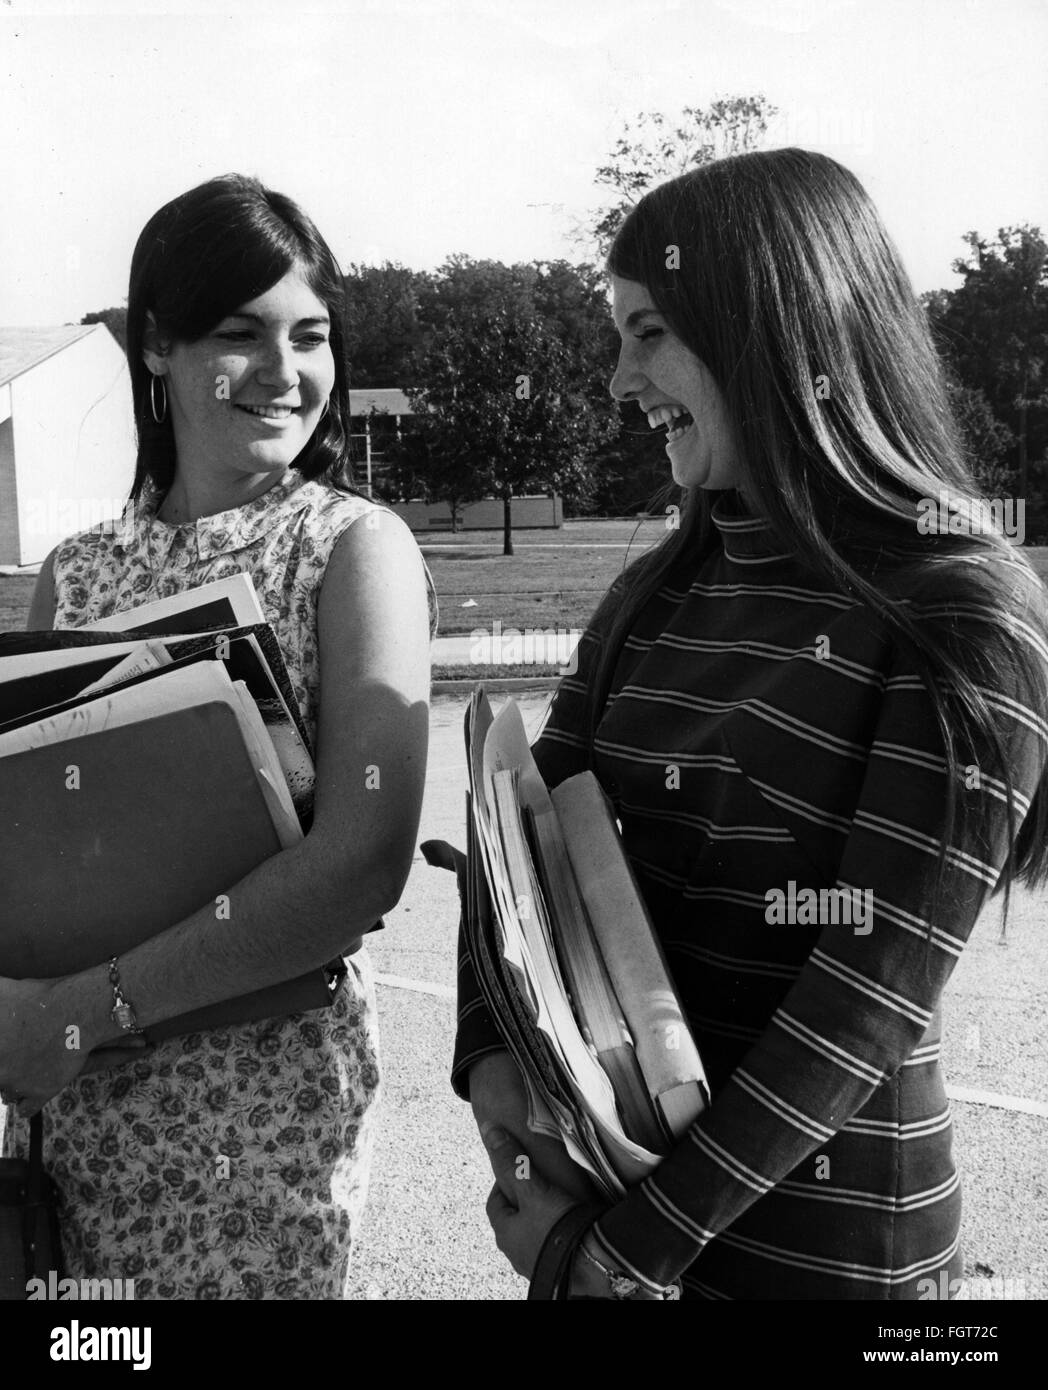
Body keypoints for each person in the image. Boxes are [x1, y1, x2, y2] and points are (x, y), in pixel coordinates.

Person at [454, 148, 1048, 1300]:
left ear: (781, 334)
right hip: (625, 1215)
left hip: (836, 1269)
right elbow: (512, 843)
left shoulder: (962, 617)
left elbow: (860, 1000)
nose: (619, 382)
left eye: (651, 332)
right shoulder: (656, 594)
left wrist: (623, 1262)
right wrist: (489, 1055)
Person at [0, 174, 436, 1299]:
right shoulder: (76, 572)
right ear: (157, 345)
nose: (287, 371)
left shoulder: (353, 548)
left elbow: (362, 865)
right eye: (240, 335)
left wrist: (82, 1009)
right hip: (80, 1108)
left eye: (311, 335)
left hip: (261, 1115)